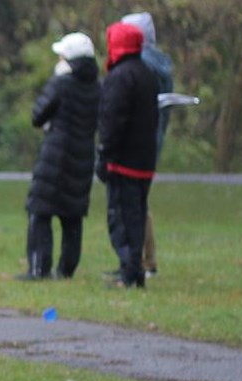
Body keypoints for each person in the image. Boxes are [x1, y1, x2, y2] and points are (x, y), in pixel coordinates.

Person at [19, 32, 100, 281]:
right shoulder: (99, 86)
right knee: (72, 215)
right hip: (84, 155)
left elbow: (37, 115)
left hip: (55, 155)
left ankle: (38, 269)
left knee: (40, 211)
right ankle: (66, 271)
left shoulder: (61, 83)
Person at [96, 21, 158, 289]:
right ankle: (135, 271)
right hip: (144, 162)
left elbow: (112, 122)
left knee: (122, 219)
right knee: (137, 215)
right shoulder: (147, 74)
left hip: (123, 164)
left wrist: (105, 155)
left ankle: (129, 273)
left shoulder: (120, 77)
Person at [122, 12, 174, 278]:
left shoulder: (143, 66)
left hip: (140, 143)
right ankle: (143, 258)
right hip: (151, 140)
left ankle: (142, 260)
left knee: (135, 202)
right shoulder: (159, 64)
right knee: (140, 201)